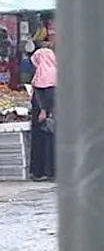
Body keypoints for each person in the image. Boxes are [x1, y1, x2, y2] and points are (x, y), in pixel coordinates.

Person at [28, 31, 54, 183]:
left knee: (41, 141)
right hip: (53, 113)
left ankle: (41, 171)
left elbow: (47, 92)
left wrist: (44, 110)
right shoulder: (55, 72)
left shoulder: (43, 73)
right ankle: (50, 171)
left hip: (42, 113)